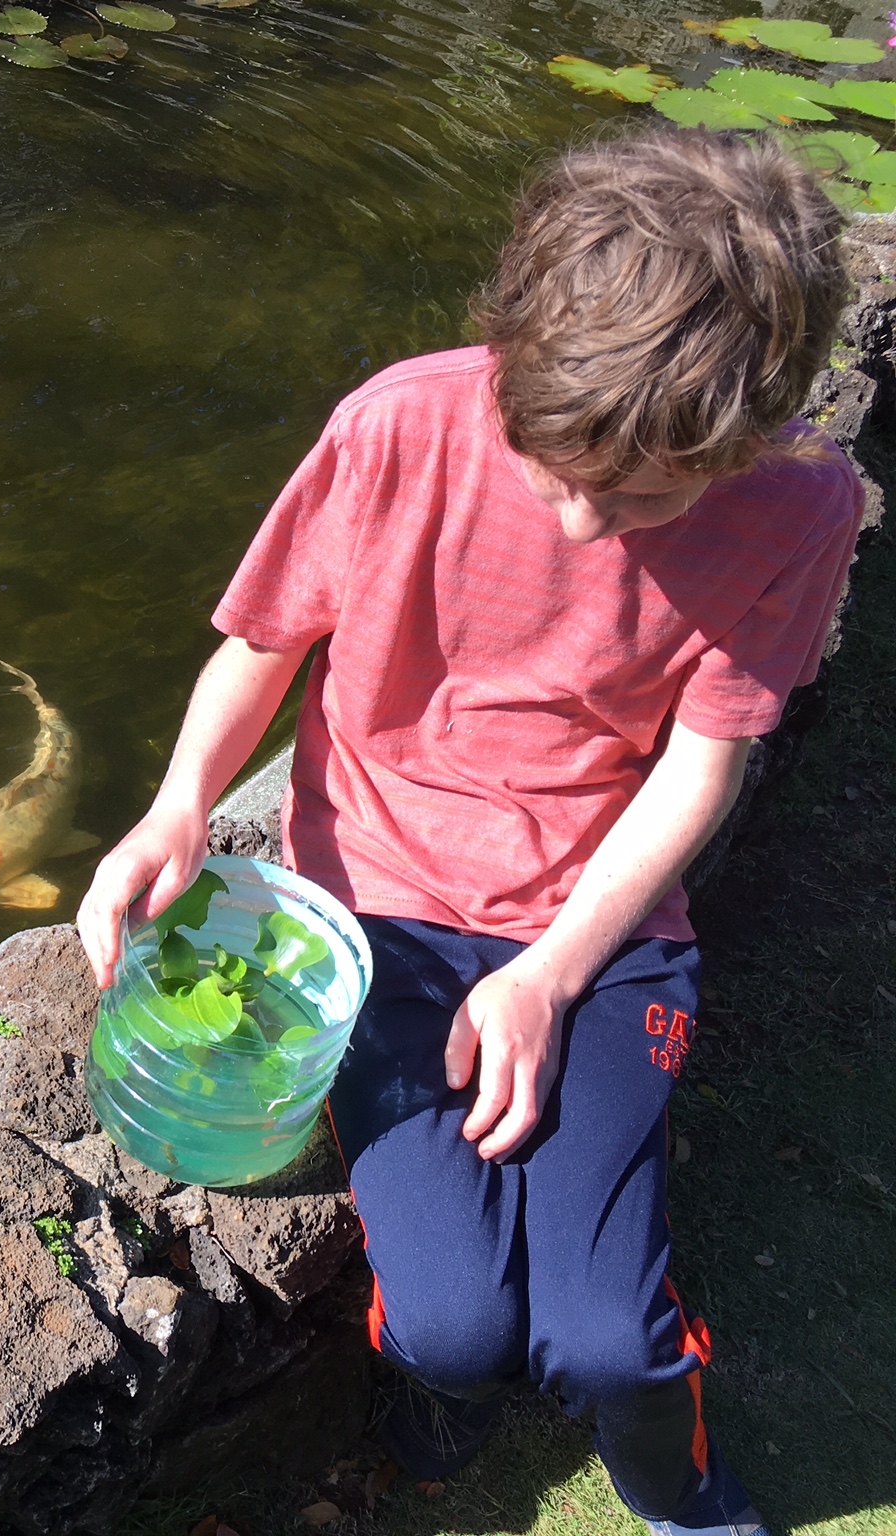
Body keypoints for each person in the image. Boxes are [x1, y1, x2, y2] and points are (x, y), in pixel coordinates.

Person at [76, 127, 861, 1536]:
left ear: (747, 437)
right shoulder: (399, 422)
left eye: (636, 499)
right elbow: (265, 641)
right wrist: (182, 798)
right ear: (507, 353)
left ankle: (669, 1481)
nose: (577, 525)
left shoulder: (801, 507)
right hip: (371, 909)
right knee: (450, 1326)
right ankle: (441, 1393)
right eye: (553, 466)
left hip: (598, 931)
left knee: (610, 1338)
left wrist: (552, 977)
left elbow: (700, 767)